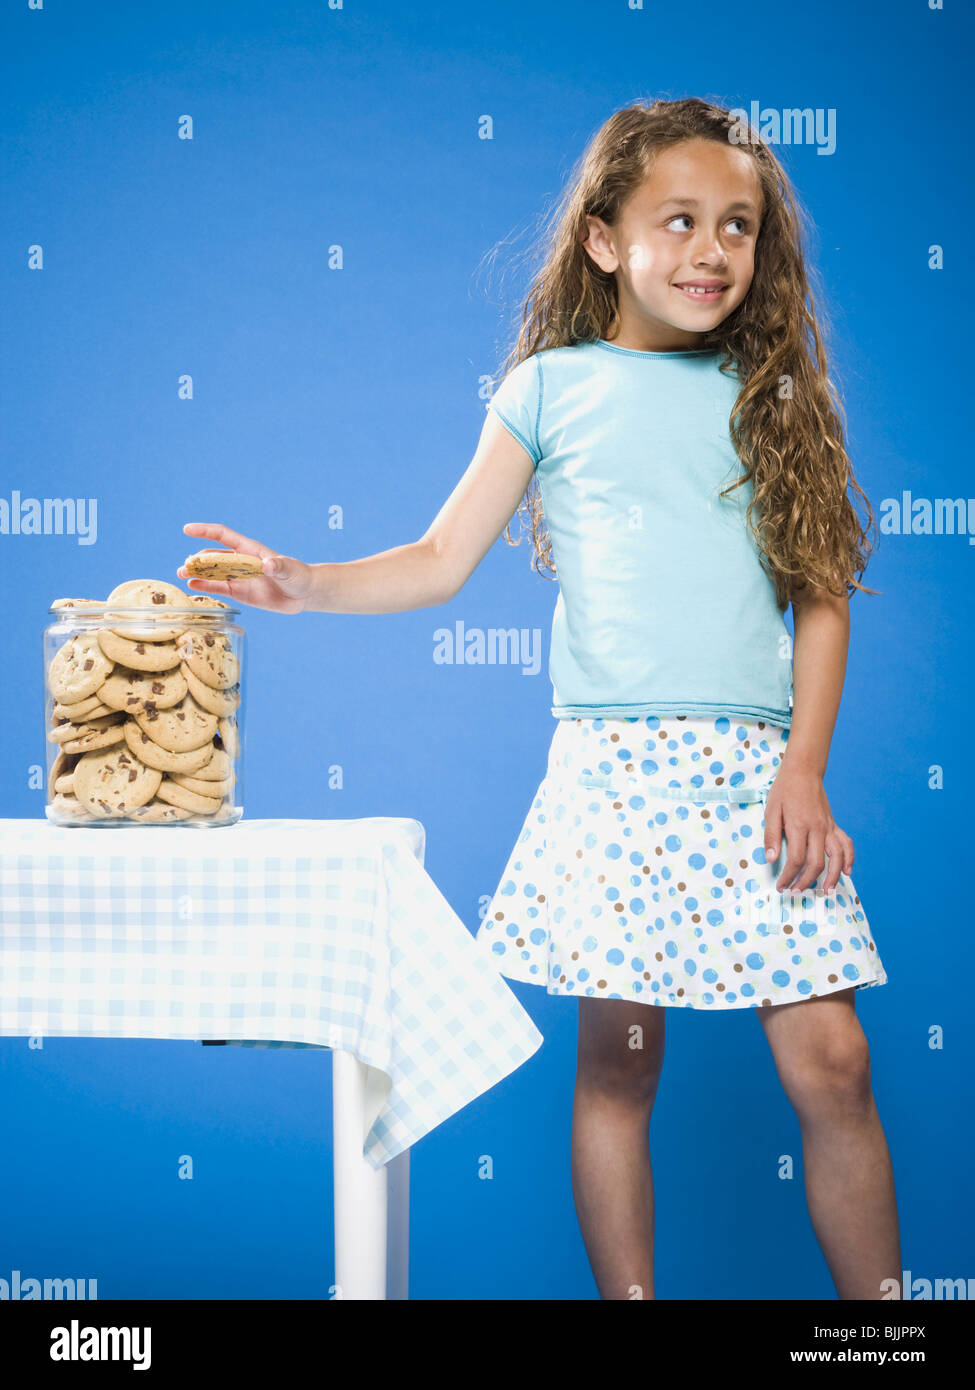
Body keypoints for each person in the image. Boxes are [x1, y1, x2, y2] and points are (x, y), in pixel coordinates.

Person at [178, 96, 900, 1302]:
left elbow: (822, 596)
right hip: (612, 777)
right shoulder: (549, 390)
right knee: (620, 1064)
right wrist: (301, 580)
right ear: (606, 240)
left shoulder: (772, 396)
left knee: (833, 1060)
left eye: (739, 226)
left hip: (754, 776)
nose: (713, 249)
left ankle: (884, 1329)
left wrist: (805, 769)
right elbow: (434, 560)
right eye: (679, 220)